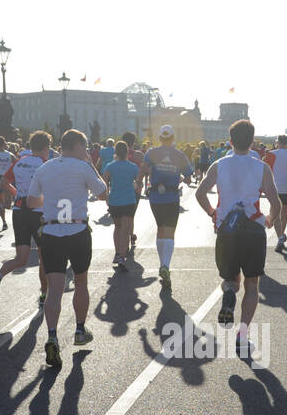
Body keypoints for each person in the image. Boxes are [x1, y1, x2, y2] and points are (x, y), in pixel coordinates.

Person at [194, 118, 280, 356]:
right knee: (252, 284)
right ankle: (242, 336)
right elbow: (276, 201)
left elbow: (200, 193)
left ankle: (230, 293)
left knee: (231, 280)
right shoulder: (261, 166)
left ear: (230, 141)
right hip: (253, 227)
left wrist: (213, 213)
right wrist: (271, 219)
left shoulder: (219, 164)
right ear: (253, 141)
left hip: (227, 229)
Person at [26, 128, 105, 369]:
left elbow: (31, 202)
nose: (87, 150)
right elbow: (103, 194)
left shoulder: (44, 168)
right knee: (81, 282)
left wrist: (48, 201)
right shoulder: (82, 167)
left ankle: (52, 335)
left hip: (51, 232)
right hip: (77, 231)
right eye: (86, 146)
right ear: (77, 146)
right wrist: (92, 166)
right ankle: (80, 330)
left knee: (54, 290)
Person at [0, 131, 51, 308]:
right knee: (43, 256)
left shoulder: (19, 161)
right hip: (38, 212)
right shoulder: (46, 164)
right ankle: (44, 294)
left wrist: (17, 194)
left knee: (21, 258)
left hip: (19, 211)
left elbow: (2, 184)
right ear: (46, 148)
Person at [142, 125, 193, 290]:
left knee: (160, 229)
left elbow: (144, 168)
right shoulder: (179, 155)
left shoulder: (152, 152)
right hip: (171, 197)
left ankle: (161, 262)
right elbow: (188, 177)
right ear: (172, 138)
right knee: (170, 230)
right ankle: (165, 265)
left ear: (160, 138)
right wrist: (181, 179)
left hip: (155, 197)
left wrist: (138, 182)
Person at [102, 140, 141, 270]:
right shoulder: (133, 166)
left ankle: (118, 252)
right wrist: (136, 186)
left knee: (117, 227)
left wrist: (106, 195)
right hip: (129, 200)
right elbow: (138, 182)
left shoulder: (110, 166)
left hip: (114, 200)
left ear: (115, 152)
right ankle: (122, 256)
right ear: (127, 152)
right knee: (125, 229)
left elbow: (104, 181)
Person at [264, 135, 287, 253]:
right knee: (284, 211)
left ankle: (280, 236)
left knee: (275, 212)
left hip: (274, 187)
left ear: (277, 142)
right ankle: (282, 234)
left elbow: (263, 168)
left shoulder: (270, 154)